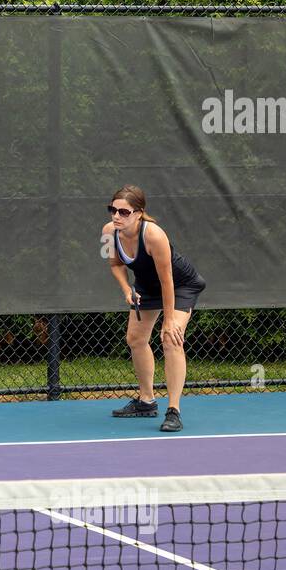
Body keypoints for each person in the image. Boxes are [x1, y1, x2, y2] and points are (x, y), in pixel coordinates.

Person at [102, 185, 206, 432]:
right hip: (146, 286)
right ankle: (146, 401)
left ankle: (174, 411)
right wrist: (128, 290)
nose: (116, 216)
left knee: (170, 338)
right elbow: (115, 264)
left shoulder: (154, 235)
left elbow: (167, 280)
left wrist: (169, 320)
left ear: (138, 213)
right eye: (112, 210)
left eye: (124, 212)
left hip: (181, 285)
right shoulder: (108, 232)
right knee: (135, 338)